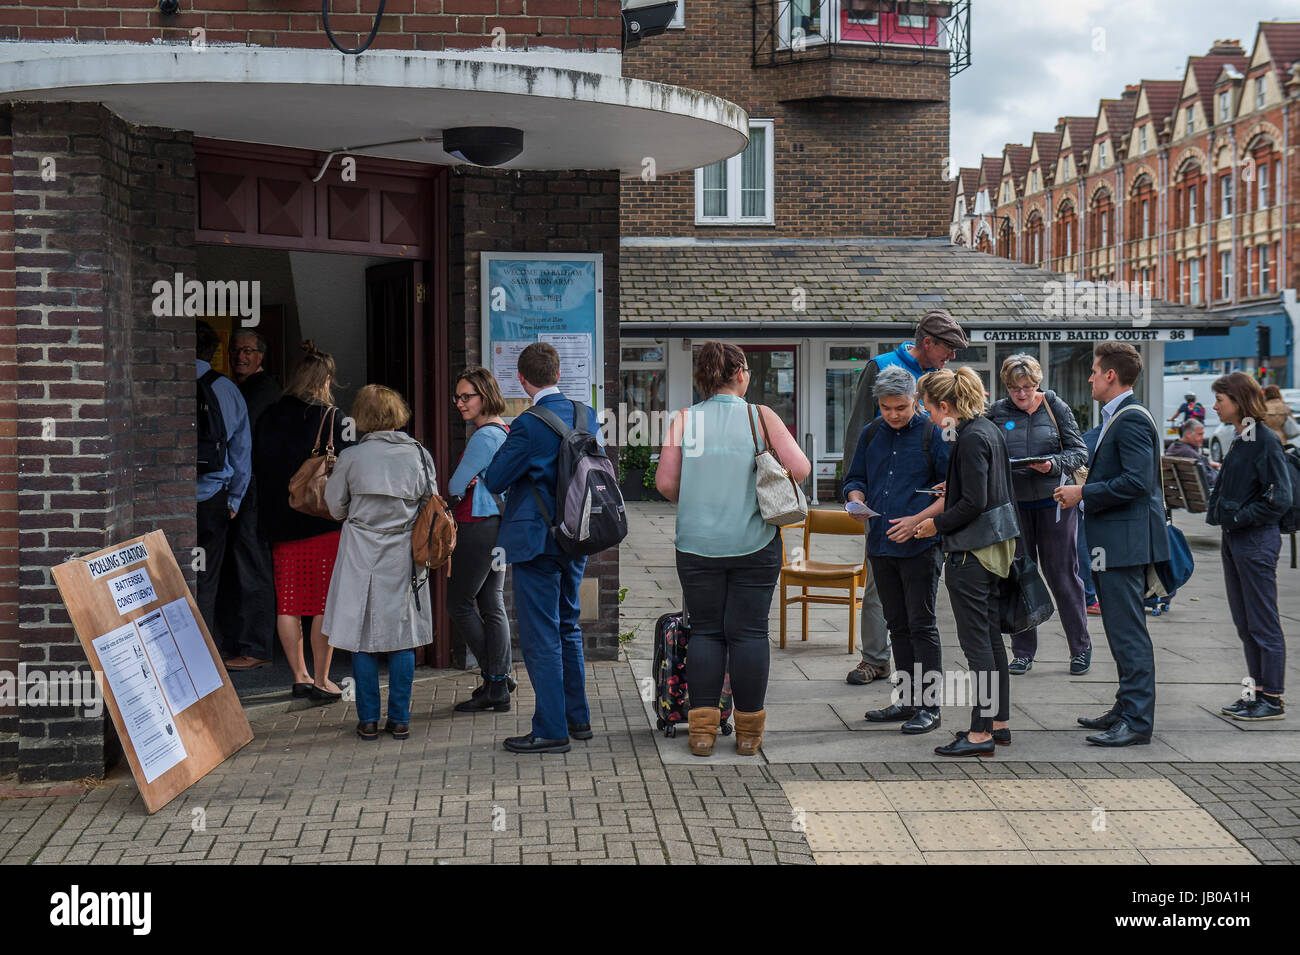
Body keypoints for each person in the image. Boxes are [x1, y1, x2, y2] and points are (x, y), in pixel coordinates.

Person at [656, 341, 811, 757]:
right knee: (749, 634)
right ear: (740, 372)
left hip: (697, 544)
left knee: (705, 630)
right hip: (755, 542)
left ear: (701, 378)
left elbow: (666, 484)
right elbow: (800, 470)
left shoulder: (684, 420)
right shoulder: (760, 416)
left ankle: (702, 732)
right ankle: (748, 735)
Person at [838, 309, 970, 687]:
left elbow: (951, 438)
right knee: (880, 588)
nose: (952, 357)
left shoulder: (941, 381)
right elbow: (859, 434)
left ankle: (917, 687)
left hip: (925, 514)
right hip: (880, 508)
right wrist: (853, 493)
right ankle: (875, 659)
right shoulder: (879, 367)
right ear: (927, 342)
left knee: (919, 610)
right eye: (948, 348)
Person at [483, 343, 604, 754]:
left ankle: (550, 729)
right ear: (558, 373)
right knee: (568, 625)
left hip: (537, 541)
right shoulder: (587, 414)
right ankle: (578, 718)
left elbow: (495, 478)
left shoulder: (528, 423)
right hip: (578, 534)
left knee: (540, 636)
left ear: (522, 379)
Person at [1054, 342, 1168, 747]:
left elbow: (1138, 482)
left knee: (1128, 632)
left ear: (1110, 376)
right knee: (1121, 632)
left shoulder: (1131, 419)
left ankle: (1136, 722)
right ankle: (1125, 707)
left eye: (1094, 370)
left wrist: (1083, 493)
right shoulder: (1118, 416)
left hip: (1124, 544)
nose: (1089, 378)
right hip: (1116, 542)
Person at [915, 367, 1017, 757]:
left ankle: (980, 734)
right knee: (991, 640)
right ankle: (999, 724)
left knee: (978, 647)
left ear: (945, 405)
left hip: (972, 553)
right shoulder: (987, 429)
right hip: (995, 549)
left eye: (928, 407)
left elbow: (973, 503)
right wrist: (953, 487)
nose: (927, 415)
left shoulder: (970, 438)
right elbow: (984, 490)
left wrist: (934, 524)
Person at [323, 385, 435, 741]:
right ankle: (400, 719)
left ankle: (368, 720)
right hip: (404, 551)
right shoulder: (419, 454)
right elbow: (430, 503)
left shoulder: (353, 457)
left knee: (361, 637)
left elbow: (335, 507)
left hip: (360, 552)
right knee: (403, 636)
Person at [841, 366, 949, 735]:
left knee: (922, 625)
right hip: (881, 545)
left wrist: (917, 520)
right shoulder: (872, 433)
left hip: (920, 546)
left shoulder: (934, 434)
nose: (893, 414)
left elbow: (952, 490)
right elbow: (854, 478)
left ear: (915, 400)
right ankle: (906, 700)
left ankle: (930, 707)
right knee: (896, 625)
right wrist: (855, 499)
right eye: (886, 407)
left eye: (900, 407)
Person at [255, 341, 353, 702]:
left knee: (290, 603)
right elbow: (348, 471)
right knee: (324, 606)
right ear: (325, 378)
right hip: (322, 522)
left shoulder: (268, 414)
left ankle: (298, 675)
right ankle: (322, 679)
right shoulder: (334, 418)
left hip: (280, 522)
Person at [986, 354, 1093, 676]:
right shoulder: (997, 413)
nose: (1022, 394)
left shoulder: (1055, 407)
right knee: (1019, 577)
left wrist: (1053, 465)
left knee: (1063, 576)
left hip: (1054, 504)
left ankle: (1080, 647)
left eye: (1029, 387)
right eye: (1015, 388)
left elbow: (1079, 452)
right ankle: (1022, 652)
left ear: (1038, 384)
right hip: (1016, 506)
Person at [1208, 372, 1291, 722]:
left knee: (1262, 622)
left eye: (1220, 400)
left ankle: (1272, 698)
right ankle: (1255, 693)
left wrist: (1239, 516)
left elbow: (1280, 498)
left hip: (1255, 539)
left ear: (1239, 401)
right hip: (1238, 537)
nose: (1215, 406)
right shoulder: (1243, 437)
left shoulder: (1263, 439)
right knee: (1246, 623)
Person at [447, 367, 516, 714]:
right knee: (492, 602)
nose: (459, 403)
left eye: (466, 396)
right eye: (457, 397)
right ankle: (499, 681)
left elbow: (455, 487)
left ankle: (497, 677)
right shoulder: (506, 430)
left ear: (484, 395)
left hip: (478, 526)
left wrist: (464, 482)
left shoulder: (484, 437)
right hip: (500, 527)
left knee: (458, 603)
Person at [218, 330, 281, 670]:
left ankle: (256, 648)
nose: (240, 355)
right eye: (235, 349)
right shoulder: (240, 389)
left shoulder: (262, 390)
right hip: (241, 488)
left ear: (260, 357)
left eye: (247, 351)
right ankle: (240, 644)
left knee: (252, 564)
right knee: (238, 565)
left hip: (253, 490)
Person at [195, 321, 251, 636]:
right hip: (212, 497)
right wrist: (235, 498)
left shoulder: (162, 382)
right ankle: (204, 650)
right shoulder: (227, 389)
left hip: (166, 500)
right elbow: (242, 450)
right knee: (206, 576)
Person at [1077, 424, 1102, 615]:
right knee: (1087, 546)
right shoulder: (1102, 435)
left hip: (1080, 496)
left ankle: (1089, 595)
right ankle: (1089, 596)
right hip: (1088, 498)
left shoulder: (1090, 436)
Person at [1165, 418, 1220, 491]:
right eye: (1200, 434)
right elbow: (1209, 480)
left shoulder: (1173, 447)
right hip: (1202, 494)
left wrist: (1209, 463)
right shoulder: (1189, 453)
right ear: (1188, 434)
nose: (1203, 438)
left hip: (1183, 493)